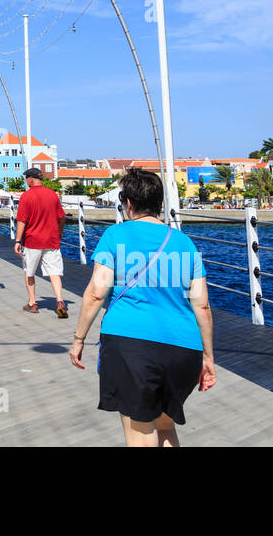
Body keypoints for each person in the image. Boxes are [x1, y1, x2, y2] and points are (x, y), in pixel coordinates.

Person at [69, 168, 216, 447]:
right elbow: (203, 305)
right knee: (165, 427)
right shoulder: (185, 243)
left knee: (140, 433)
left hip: (131, 345)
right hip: (183, 349)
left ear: (128, 203)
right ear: (160, 203)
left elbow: (96, 294)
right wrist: (208, 357)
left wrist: (78, 339)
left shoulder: (115, 235)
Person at [13, 168, 68, 317]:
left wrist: (18, 240)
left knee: (29, 272)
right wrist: (60, 231)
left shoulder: (26, 196)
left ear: (31, 179)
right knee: (55, 272)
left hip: (32, 241)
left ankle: (32, 303)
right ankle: (60, 301)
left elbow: (22, 221)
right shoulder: (52, 195)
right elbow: (62, 217)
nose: (26, 181)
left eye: (26, 179)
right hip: (51, 240)